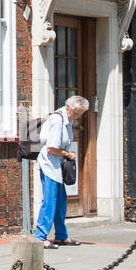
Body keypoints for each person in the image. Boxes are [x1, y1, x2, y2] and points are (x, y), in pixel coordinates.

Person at [34, 95, 89, 248]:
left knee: (61, 201)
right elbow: (51, 148)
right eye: (76, 113)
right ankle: (40, 236)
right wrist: (67, 154)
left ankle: (61, 235)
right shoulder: (57, 120)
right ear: (68, 108)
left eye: (80, 114)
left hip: (57, 165)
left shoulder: (67, 120)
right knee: (50, 200)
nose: (77, 117)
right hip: (49, 164)